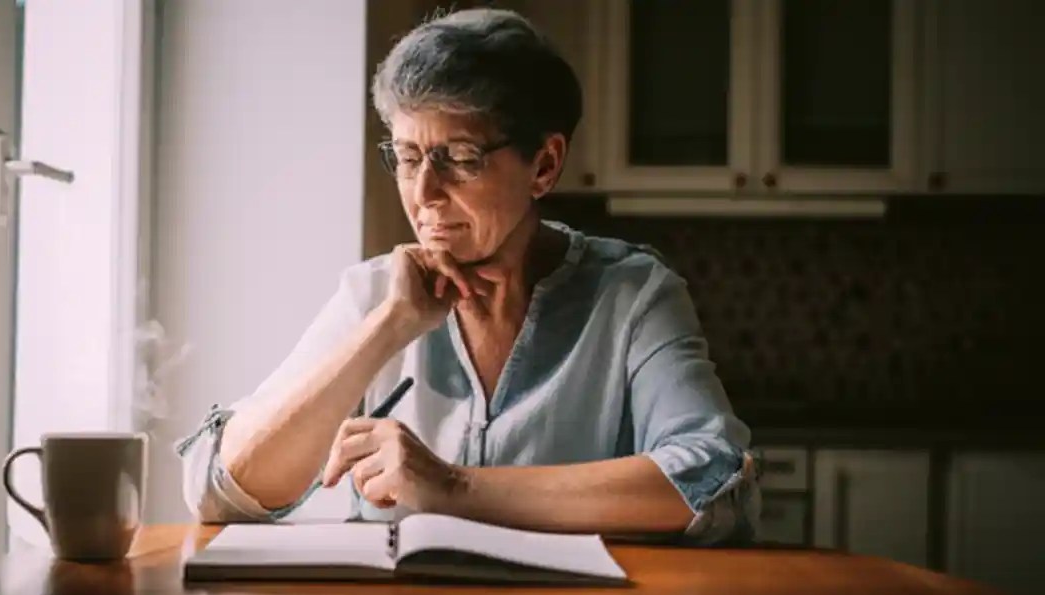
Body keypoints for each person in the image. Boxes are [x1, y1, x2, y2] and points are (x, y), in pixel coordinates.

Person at [177, 8, 757, 544]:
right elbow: (219, 492)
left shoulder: (632, 295)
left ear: (545, 165)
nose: (423, 193)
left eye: (459, 157)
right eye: (407, 158)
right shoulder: (373, 297)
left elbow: (715, 478)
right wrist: (388, 326)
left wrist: (452, 488)